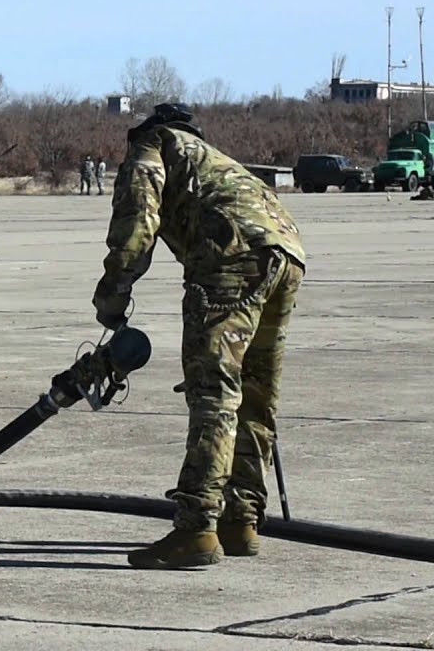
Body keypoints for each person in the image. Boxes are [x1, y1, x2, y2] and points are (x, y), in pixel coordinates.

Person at [91, 103, 306, 570]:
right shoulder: (214, 159)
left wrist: (113, 292)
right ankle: (241, 520)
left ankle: (197, 528)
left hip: (230, 255)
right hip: (287, 252)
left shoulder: (153, 146)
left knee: (214, 392)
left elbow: (136, 225)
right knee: (255, 392)